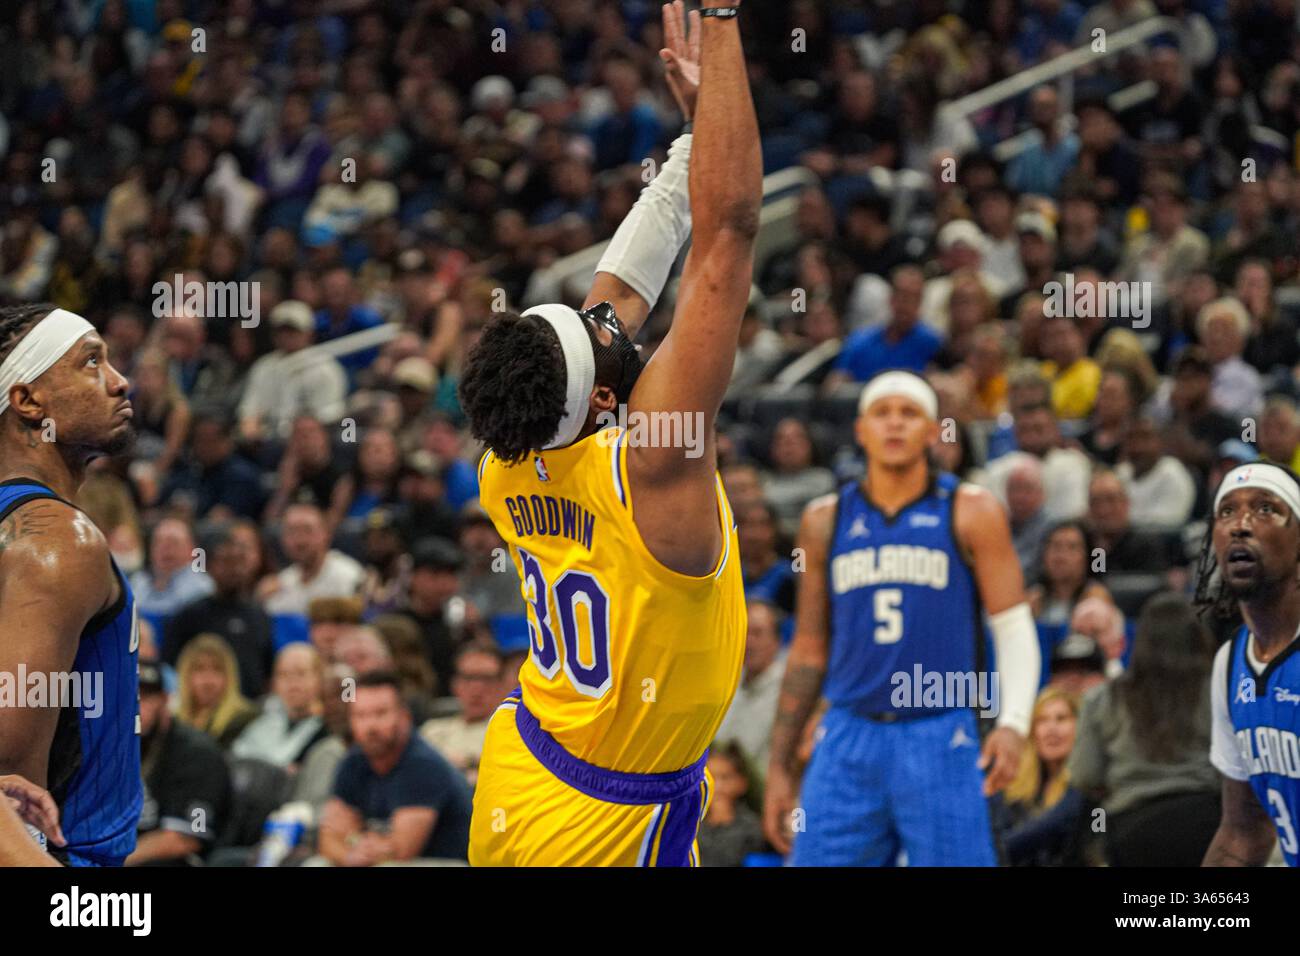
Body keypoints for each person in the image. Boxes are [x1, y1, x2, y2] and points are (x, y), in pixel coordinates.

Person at [462, 1, 760, 867]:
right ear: (600, 405)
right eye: (603, 338)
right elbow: (729, 237)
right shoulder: (653, 465)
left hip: (525, 762)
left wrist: (698, 133)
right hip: (599, 822)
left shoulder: (506, 460)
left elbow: (636, 268)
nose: (611, 321)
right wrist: (725, 17)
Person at [764, 371, 1041, 866]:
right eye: (882, 413)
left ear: (934, 431)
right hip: (848, 731)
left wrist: (1015, 723)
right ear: (860, 429)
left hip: (939, 731)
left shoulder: (969, 509)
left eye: (909, 413)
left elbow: (1013, 626)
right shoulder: (823, 520)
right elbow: (808, 646)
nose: (895, 424)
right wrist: (781, 765)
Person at [0, 303, 142, 866]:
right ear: (30, 401)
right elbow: (11, 801)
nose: (118, 380)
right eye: (90, 362)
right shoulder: (61, 542)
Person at [1198, 462, 1300, 866]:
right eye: (1227, 512)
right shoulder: (1229, 666)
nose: (1240, 525)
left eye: (1265, 508)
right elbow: (1244, 832)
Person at [1070, 592, 1220, 866]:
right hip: (1209, 825)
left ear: (1141, 642)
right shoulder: (1219, 693)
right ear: (1199, 637)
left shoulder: (1103, 698)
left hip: (1132, 830)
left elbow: (1084, 774)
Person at [319, 671, 472, 864]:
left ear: (404, 717)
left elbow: (401, 850)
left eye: (381, 713)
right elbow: (327, 839)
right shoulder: (353, 761)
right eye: (361, 716)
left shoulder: (424, 765)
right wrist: (349, 854)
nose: (371, 726)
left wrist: (354, 840)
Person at [128, 660, 231, 865]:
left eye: (145, 697)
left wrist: (115, 862)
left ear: (165, 700)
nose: (136, 705)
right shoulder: (120, 746)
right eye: (129, 696)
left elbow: (188, 838)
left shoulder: (199, 754)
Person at [997, 687, 1085, 867]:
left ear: (1080, 726)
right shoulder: (1015, 791)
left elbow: (1055, 824)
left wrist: (995, 851)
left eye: (1061, 719)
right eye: (1042, 721)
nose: (1051, 729)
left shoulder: (1085, 786)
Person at [714, 599, 787, 784]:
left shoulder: (789, 690)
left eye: (757, 633)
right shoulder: (725, 680)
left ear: (776, 641)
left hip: (763, 794)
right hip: (722, 789)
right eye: (744, 632)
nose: (749, 641)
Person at [420, 642, 505, 789]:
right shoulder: (431, 731)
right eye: (469, 678)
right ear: (455, 684)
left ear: (502, 685)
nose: (477, 688)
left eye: (486, 679)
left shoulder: (512, 733)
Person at [175, 634, 260, 750]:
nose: (208, 680)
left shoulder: (246, 721)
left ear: (230, 676)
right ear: (185, 675)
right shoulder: (172, 722)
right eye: (199, 669)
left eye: (217, 669)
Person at [696, 742, 769, 867]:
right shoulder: (690, 820)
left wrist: (724, 821)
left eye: (725, 778)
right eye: (711, 777)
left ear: (742, 783)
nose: (717, 787)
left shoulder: (754, 828)